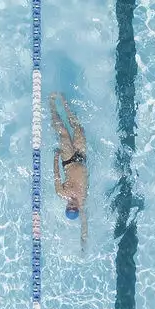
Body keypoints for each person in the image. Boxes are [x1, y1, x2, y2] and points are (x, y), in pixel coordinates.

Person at [49, 91, 90, 245]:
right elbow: (84, 224)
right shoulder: (82, 201)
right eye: (74, 207)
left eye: (70, 206)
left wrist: (56, 157)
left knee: (64, 134)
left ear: (67, 206)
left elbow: (56, 174)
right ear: (77, 208)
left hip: (68, 160)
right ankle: (65, 103)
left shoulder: (61, 192)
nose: (72, 204)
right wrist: (83, 241)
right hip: (82, 157)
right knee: (79, 129)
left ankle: (52, 106)